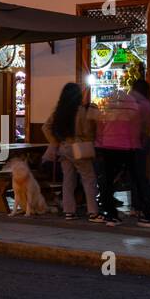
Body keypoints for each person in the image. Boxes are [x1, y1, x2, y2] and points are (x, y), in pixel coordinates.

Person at [95, 87, 150, 227]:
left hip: (108, 148)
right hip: (128, 148)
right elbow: (137, 130)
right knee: (139, 180)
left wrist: (101, 145)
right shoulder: (134, 110)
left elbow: (100, 130)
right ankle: (146, 215)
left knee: (108, 182)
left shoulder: (107, 110)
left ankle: (111, 216)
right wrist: (137, 144)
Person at [43, 83, 100, 221]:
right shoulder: (82, 110)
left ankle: (69, 211)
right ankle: (93, 212)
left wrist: (56, 143)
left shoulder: (59, 111)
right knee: (88, 179)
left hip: (63, 147)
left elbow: (46, 127)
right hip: (79, 148)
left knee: (68, 180)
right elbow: (89, 130)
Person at [129, 77, 150, 221]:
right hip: (144, 141)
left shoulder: (136, 104)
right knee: (140, 174)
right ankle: (141, 204)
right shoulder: (148, 104)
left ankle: (138, 205)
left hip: (135, 142)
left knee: (135, 176)